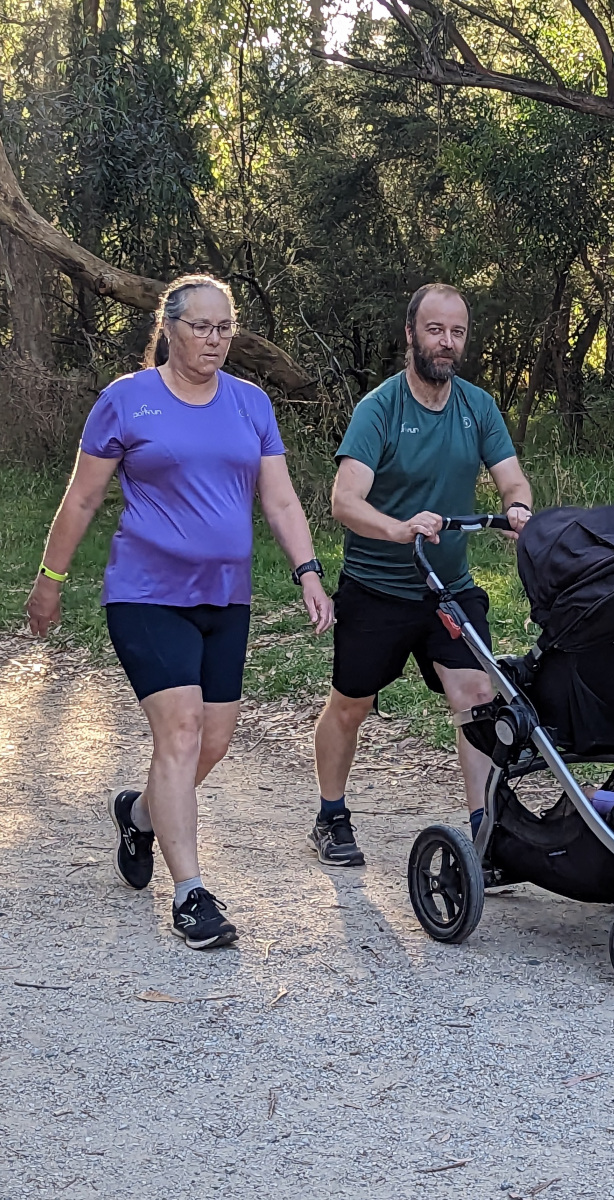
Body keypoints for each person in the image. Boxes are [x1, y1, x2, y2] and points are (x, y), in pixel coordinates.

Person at [25, 274, 334, 949]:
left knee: (215, 740)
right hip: (145, 594)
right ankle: (191, 893)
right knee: (184, 731)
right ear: (169, 328)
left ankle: (139, 814)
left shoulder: (251, 404)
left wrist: (308, 571)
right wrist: (50, 580)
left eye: (226, 328)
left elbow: (279, 501)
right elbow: (81, 500)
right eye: (202, 327)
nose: (216, 340)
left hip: (227, 596)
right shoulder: (126, 402)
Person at [310, 282, 533, 866]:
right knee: (351, 705)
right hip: (378, 587)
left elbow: (512, 478)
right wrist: (399, 528)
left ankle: (486, 829)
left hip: (448, 591)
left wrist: (519, 510)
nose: (447, 342)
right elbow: (344, 501)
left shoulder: (477, 407)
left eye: (457, 332)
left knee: (478, 694)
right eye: (435, 330)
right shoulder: (379, 409)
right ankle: (331, 814)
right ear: (410, 335)